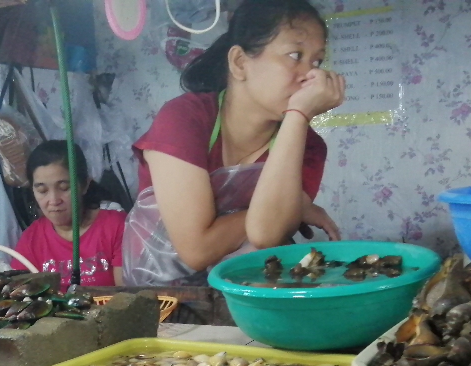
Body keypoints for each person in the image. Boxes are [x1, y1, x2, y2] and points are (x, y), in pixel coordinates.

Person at [122, 0, 346, 286]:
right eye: (295, 54)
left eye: (316, 61)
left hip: (241, 296)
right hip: (160, 299)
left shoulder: (307, 145)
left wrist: (298, 115)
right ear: (240, 62)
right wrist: (290, 210)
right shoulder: (184, 118)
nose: (311, 75)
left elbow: (265, 234)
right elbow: (196, 249)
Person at [11, 140, 126, 291]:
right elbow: (21, 295)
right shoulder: (31, 240)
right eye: (42, 191)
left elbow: (127, 295)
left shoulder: (115, 226)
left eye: (64, 188)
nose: (53, 200)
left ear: (84, 185)